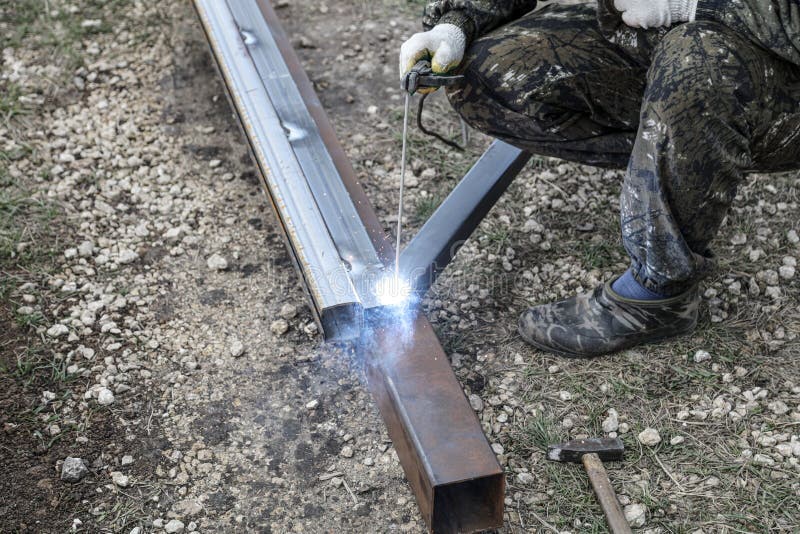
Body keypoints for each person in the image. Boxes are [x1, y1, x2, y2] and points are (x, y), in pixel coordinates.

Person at [398, 0, 800, 357]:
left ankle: (656, 294)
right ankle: (678, 152)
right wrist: (456, 22)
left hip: (776, 65)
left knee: (698, 62)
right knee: (489, 74)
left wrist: (698, 6)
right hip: (666, 32)